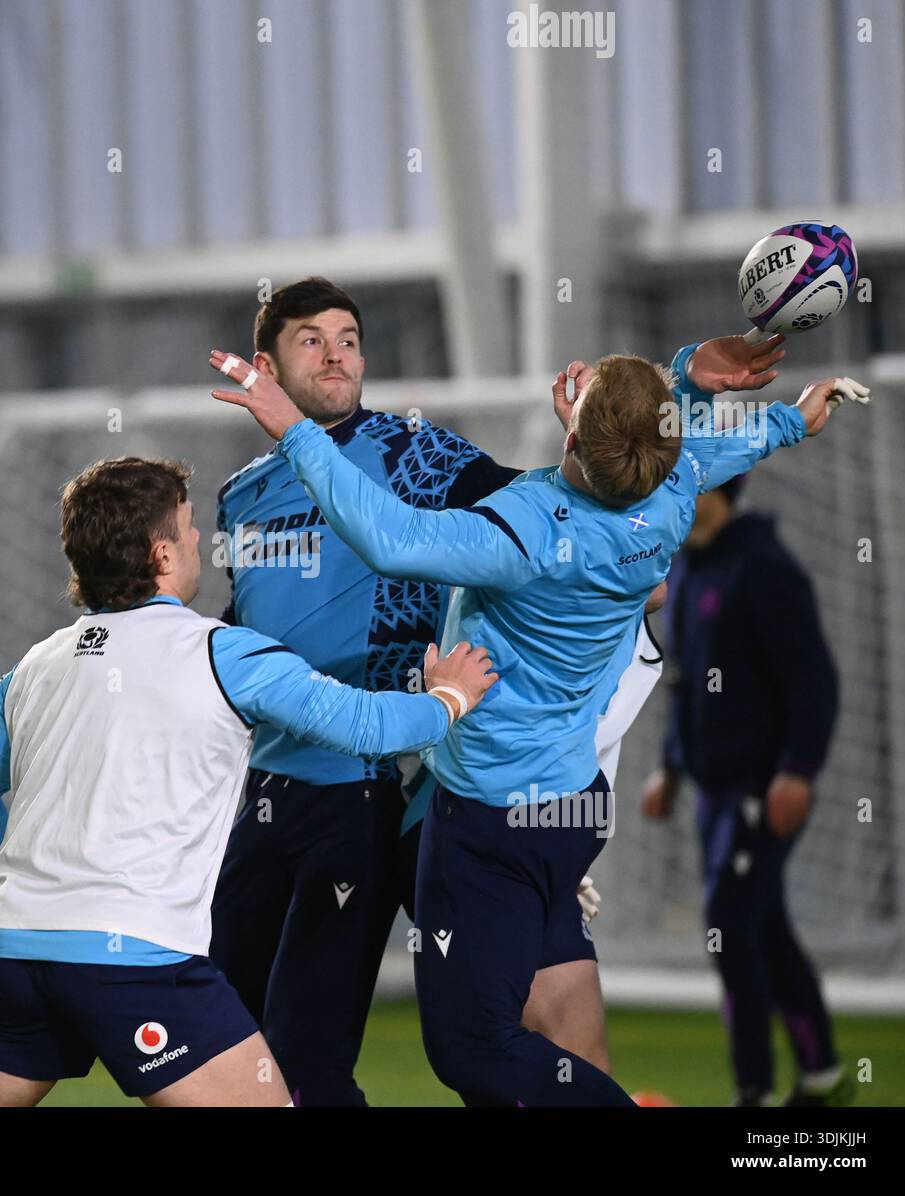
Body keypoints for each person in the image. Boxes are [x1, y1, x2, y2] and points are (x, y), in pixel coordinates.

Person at [211, 331, 867, 1105]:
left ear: (574, 437)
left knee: (470, 1050)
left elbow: (389, 538)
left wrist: (295, 430)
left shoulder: (526, 531)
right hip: (570, 807)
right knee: (565, 1035)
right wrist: (784, 415)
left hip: (488, 819)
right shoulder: (672, 495)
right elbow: (715, 448)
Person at [0, 455, 496, 1107]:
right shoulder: (225, 652)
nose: (200, 539)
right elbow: (367, 726)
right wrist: (449, 697)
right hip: (142, 965)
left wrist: (52, 887)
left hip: (18, 956)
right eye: (189, 526)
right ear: (163, 553)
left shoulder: (34, 666)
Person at [210, 277, 644, 1103]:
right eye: (311, 340)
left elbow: (545, 520)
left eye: (348, 339)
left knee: (536, 1010)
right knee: (224, 1052)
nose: (336, 355)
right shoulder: (240, 495)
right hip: (267, 797)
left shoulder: (416, 453)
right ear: (266, 366)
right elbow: (247, 630)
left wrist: (593, 455)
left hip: (391, 786)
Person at [641, 473, 850, 1107]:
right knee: (764, 929)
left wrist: (798, 771)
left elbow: (815, 681)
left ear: (716, 491)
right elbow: (684, 681)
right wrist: (671, 767)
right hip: (712, 793)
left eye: (682, 482)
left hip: (761, 790)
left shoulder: (764, 567)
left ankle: (753, 1091)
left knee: (730, 927)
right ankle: (823, 1074)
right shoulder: (687, 568)